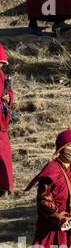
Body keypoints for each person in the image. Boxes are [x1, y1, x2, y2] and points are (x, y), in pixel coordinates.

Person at [0, 47, 13, 196]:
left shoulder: (2, 75)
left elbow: (8, 93)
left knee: (3, 153)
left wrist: (8, 97)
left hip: (1, 122)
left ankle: (3, 186)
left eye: (2, 64)